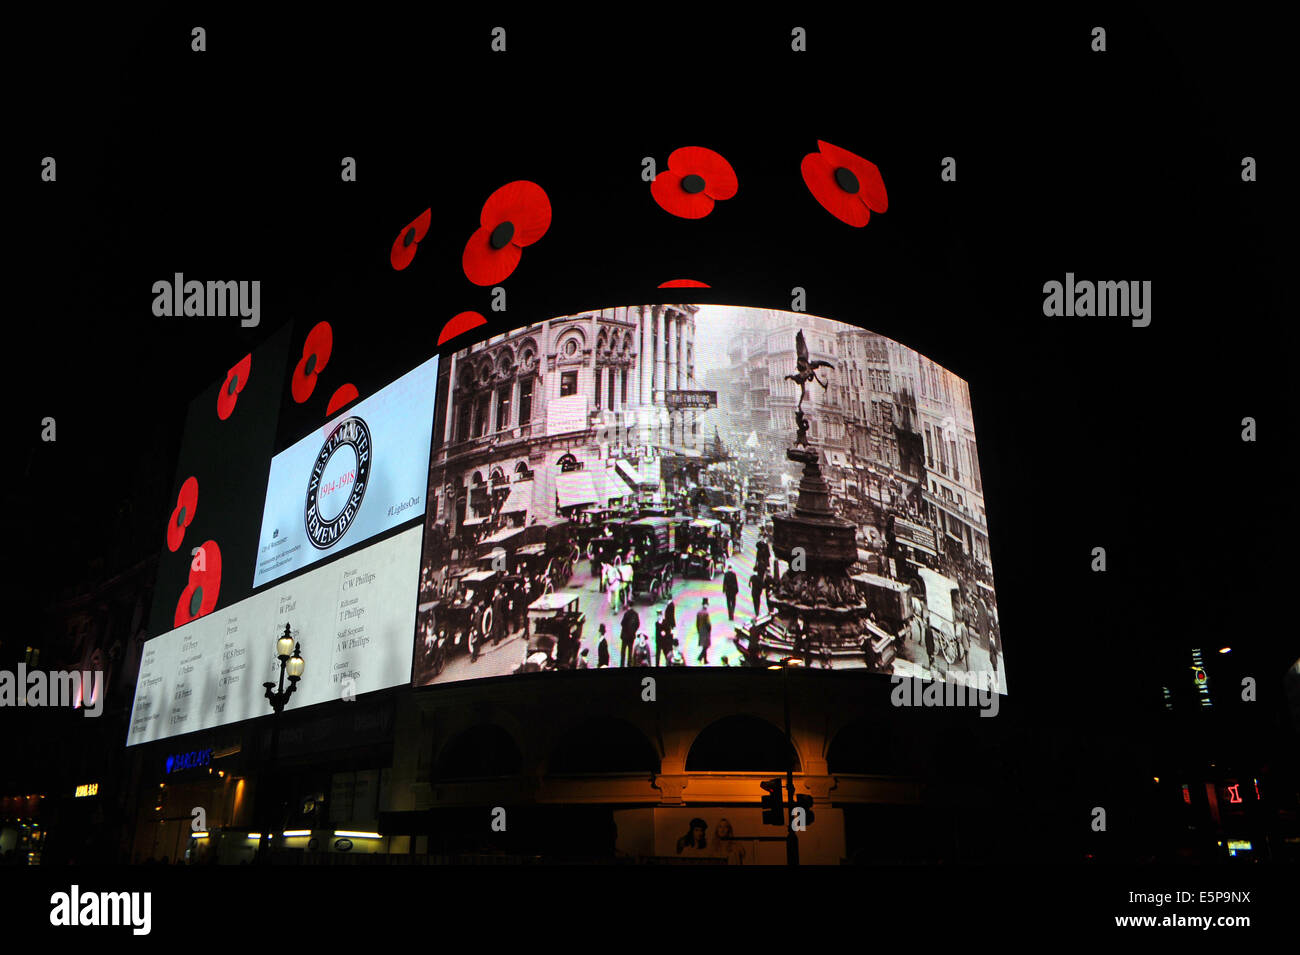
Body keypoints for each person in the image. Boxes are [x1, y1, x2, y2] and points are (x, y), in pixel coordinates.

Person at [695, 598, 712, 665]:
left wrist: (698, 630)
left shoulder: (699, 612)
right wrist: (709, 630)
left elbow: (697, 623)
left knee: (704, 646)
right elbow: (708, 624)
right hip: (706, 631)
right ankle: (700, 657)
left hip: (700, 630)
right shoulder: (706, 613)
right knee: (706, 646)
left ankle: (705, 660)